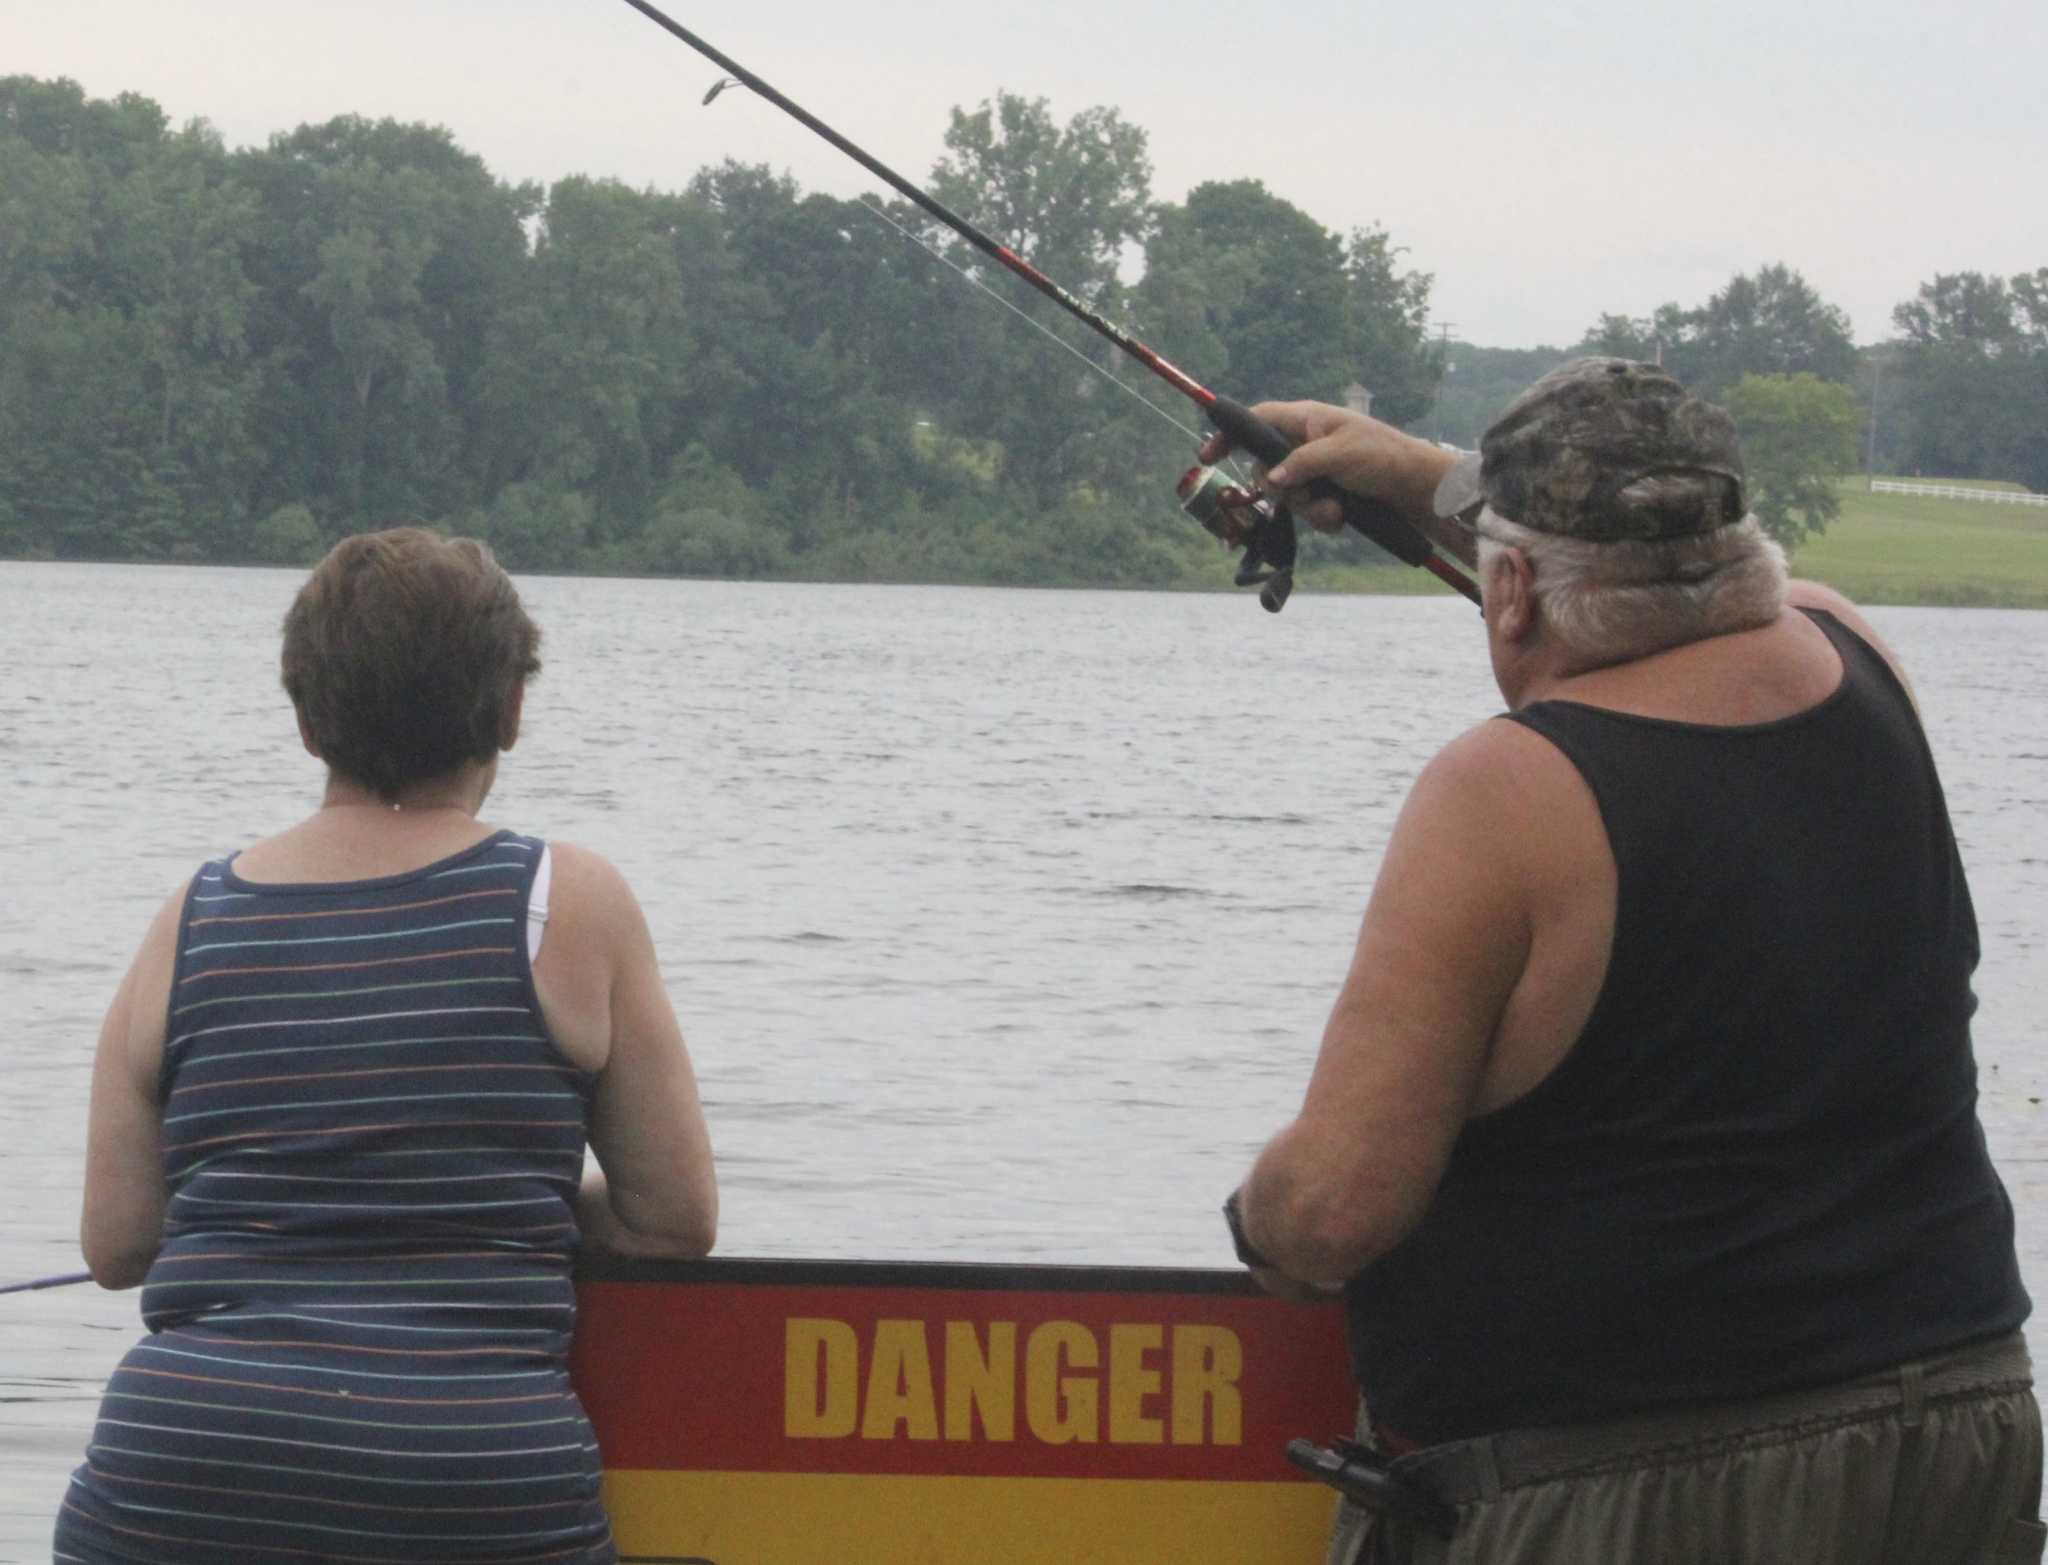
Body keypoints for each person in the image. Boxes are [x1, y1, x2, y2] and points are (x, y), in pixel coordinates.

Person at [1214, 360, 2041, 1563]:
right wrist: (1429, 478)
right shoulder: (1852, 652)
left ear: (1507, 592)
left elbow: (1339, 1209)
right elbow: (1651, 635)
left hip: (1632, 1476)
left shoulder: (1500, 791)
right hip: (1951, 1430)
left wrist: (1260, 1223)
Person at [56, 527, 718, 1564]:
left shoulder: (192, 916)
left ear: (306, 720)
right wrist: (508, 1198)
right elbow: (672, 1216)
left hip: (177, 1479)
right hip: (466, 1483)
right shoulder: (567, 902)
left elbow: (119, 1243)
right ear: (510, 708)